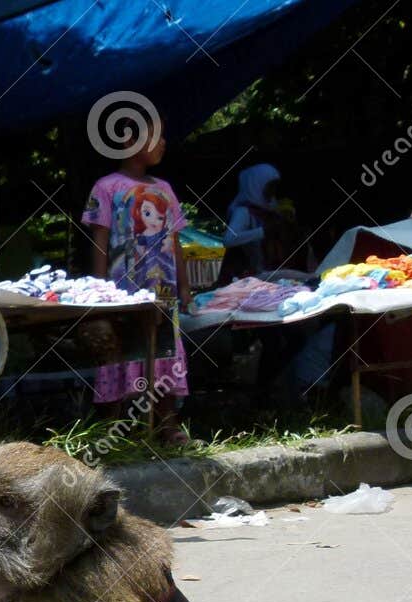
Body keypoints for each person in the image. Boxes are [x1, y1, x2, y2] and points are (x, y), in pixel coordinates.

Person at [82, 114, 192, 446]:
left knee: (164, 353)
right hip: (121, 293)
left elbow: (175, 242)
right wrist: (98, 289)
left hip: (162, 292)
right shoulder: (105, 188)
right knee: (121, 353)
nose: (163, 144)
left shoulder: (165, 189)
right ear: (130, 140)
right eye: (156, 137)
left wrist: (184, 287)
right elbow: (99, 242)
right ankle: (112, 430)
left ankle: (168, 426)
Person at [218, 163, 283, 282]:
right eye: (269, 187)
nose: (273, 191)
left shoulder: (267, 208)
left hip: (266, 272)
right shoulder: (242, 211)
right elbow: (228, 240)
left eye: (275, 187)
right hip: (246, 276)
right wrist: (263, 231)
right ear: (256, 186)